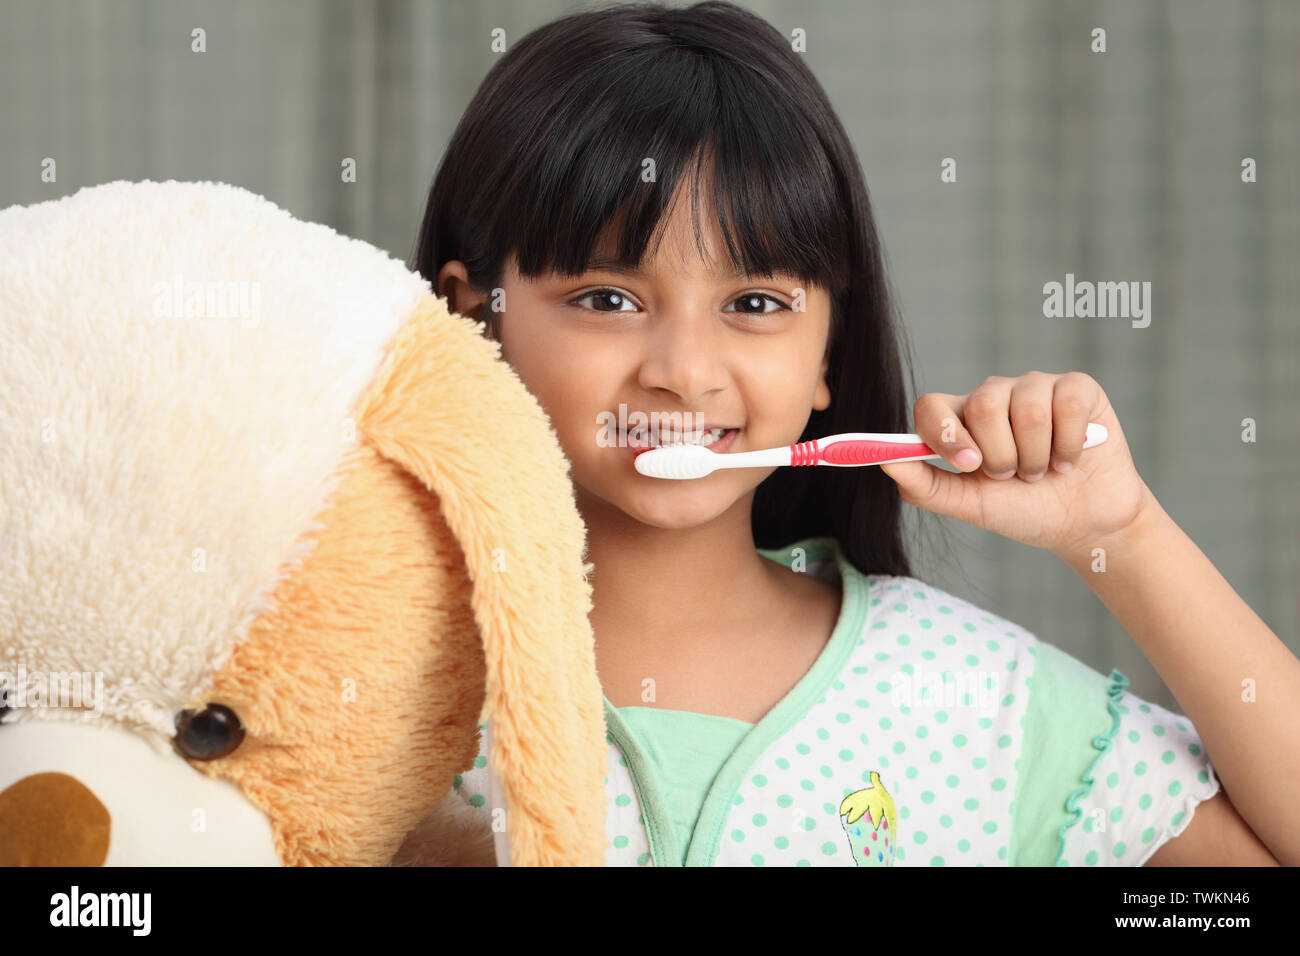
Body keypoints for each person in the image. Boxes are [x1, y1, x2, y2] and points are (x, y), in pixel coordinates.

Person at [411, 0, 1291, 866]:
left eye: (754, 303)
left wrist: (1122, 535)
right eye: (608, 300)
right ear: (473, 318)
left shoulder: (969, 701)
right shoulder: (368, 663)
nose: (684, 369)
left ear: (828, 347)